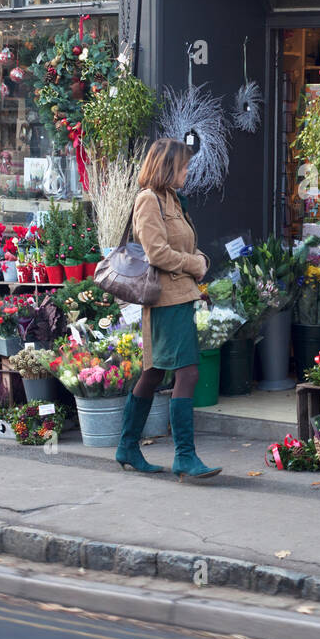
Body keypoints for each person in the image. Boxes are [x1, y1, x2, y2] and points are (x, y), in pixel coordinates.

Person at [116, 138, 221, 480]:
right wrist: (195, 264)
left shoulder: (174, 199)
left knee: (154, 372)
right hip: (165, 300)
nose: (188, 171)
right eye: (183, 166)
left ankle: (128, 446)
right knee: (187, 373)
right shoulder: (148, 200)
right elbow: (157, 253)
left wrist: (196, 267)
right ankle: (184, 456)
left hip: (180, 295)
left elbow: (181, 246)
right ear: (166, 166)